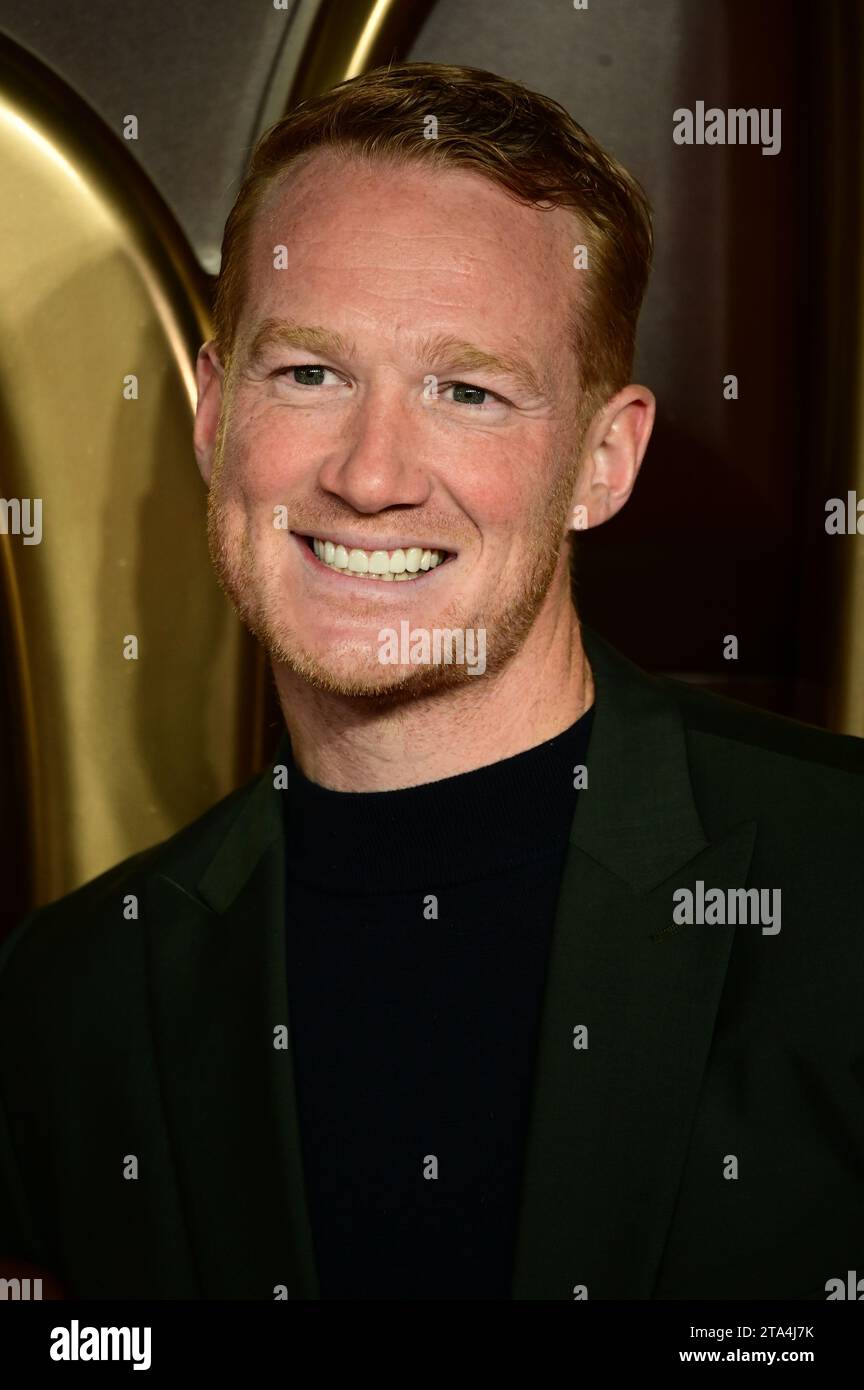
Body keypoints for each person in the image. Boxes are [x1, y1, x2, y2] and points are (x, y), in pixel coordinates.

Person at [0, 62, 861, 1302]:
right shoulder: (73, 996)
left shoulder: (845, 886)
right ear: (210, 414)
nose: (371, 474)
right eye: (308, 373)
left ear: (602, 461)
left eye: (467, 392)